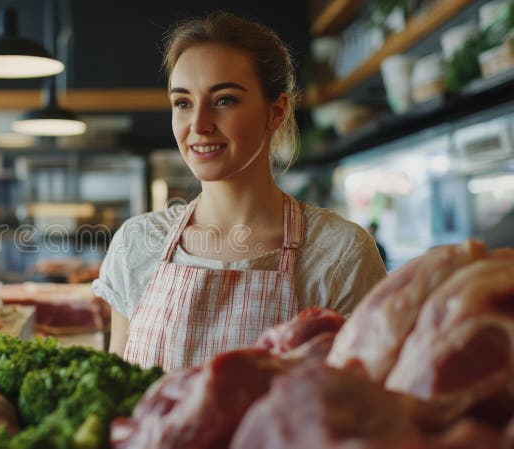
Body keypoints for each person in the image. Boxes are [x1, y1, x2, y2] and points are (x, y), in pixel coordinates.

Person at [92, 12, 386, 371]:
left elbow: (367, 407)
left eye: (224, 100)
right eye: (183, 103)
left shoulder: (340, 254)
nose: (198, 125)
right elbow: (115, 393)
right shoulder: (136, 244)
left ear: (275, 112)